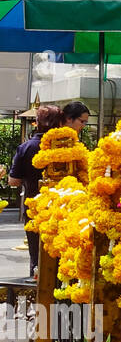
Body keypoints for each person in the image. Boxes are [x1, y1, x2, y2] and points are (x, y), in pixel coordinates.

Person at [8, 104, 63, 277]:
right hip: (64, 208)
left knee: (37, 254)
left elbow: (14, 181)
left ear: (37, 122)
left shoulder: (26, 148)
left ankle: (37, 288)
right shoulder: (68, 147)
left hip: (35, 208)